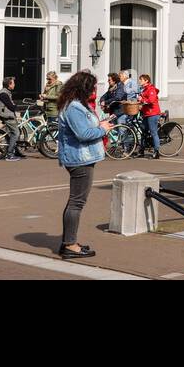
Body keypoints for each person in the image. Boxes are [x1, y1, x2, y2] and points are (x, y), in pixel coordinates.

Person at [55, 70, 113, 259]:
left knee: (75, 201)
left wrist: (101, 124)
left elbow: (85, 128)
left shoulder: (76, 104)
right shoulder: (73, 107)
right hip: (80, 158)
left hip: (82, 157)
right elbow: (83, 134)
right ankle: (70, 245)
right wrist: (102, 129)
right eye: (92, 88)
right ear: (84, 88)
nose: (94, 91)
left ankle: (68, 242)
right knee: (77, 202)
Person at [0, 77, 23, 161]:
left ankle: (16, 151)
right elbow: (11, 106)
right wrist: (15, 106)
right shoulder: (3, 93)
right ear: (9, 84)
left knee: (14, 133)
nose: (14, 85)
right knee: (16, 133)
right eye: (13, 83)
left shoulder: (7, 92)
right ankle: (9, 155)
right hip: (6, 115)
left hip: (8, 115)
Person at [138, 73, 161, 159]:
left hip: (153, 113)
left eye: (141, 80)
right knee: (143, 132)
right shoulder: (143, 90)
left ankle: (156, 151)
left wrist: (142, 99)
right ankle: (141, 150)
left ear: (146, 81)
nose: (139, 81)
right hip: (146, 113)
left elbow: (151, 100)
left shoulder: (151, 89)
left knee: (153, 132)